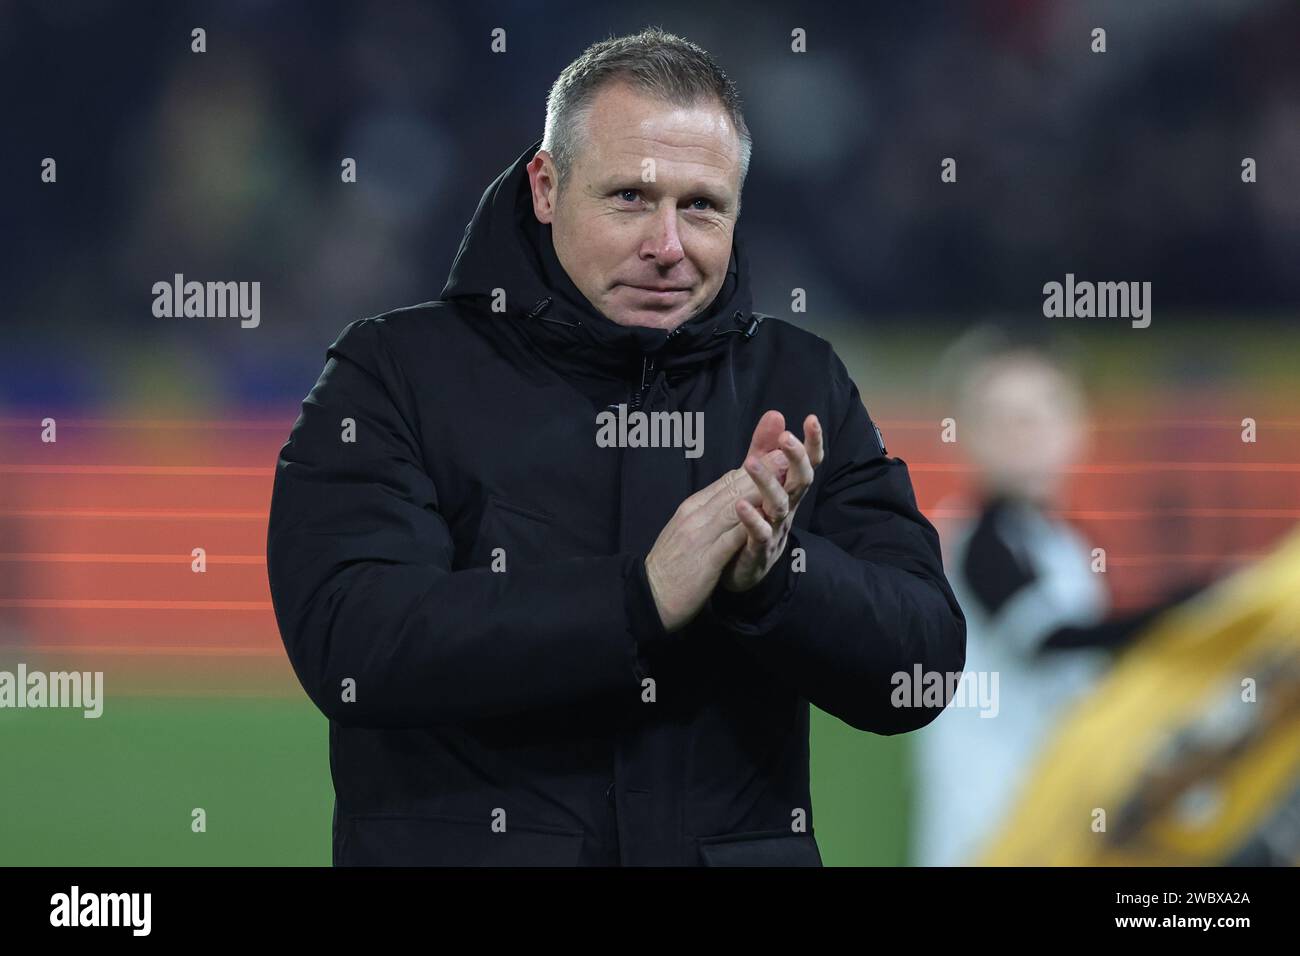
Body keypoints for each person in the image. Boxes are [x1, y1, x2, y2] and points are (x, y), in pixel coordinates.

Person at [266, 27, 965, 867]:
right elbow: (352, 642)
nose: (667, 246)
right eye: (631, 197)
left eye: (701, 206)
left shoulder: (800, 379)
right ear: (547, 187)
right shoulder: (394, 372)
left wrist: (778, 582)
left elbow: (920, 668)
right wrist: (636, 599)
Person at [912, 328, 1200, 866]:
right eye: (998, 417)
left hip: (1059, 814)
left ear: (1079, 426)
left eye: (1040, 412)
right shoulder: (979, 541)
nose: (1021, 432)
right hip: (991, 821)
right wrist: (1183, 612)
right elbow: (1048, 638)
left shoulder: (1063, 544)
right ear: (965, 434)